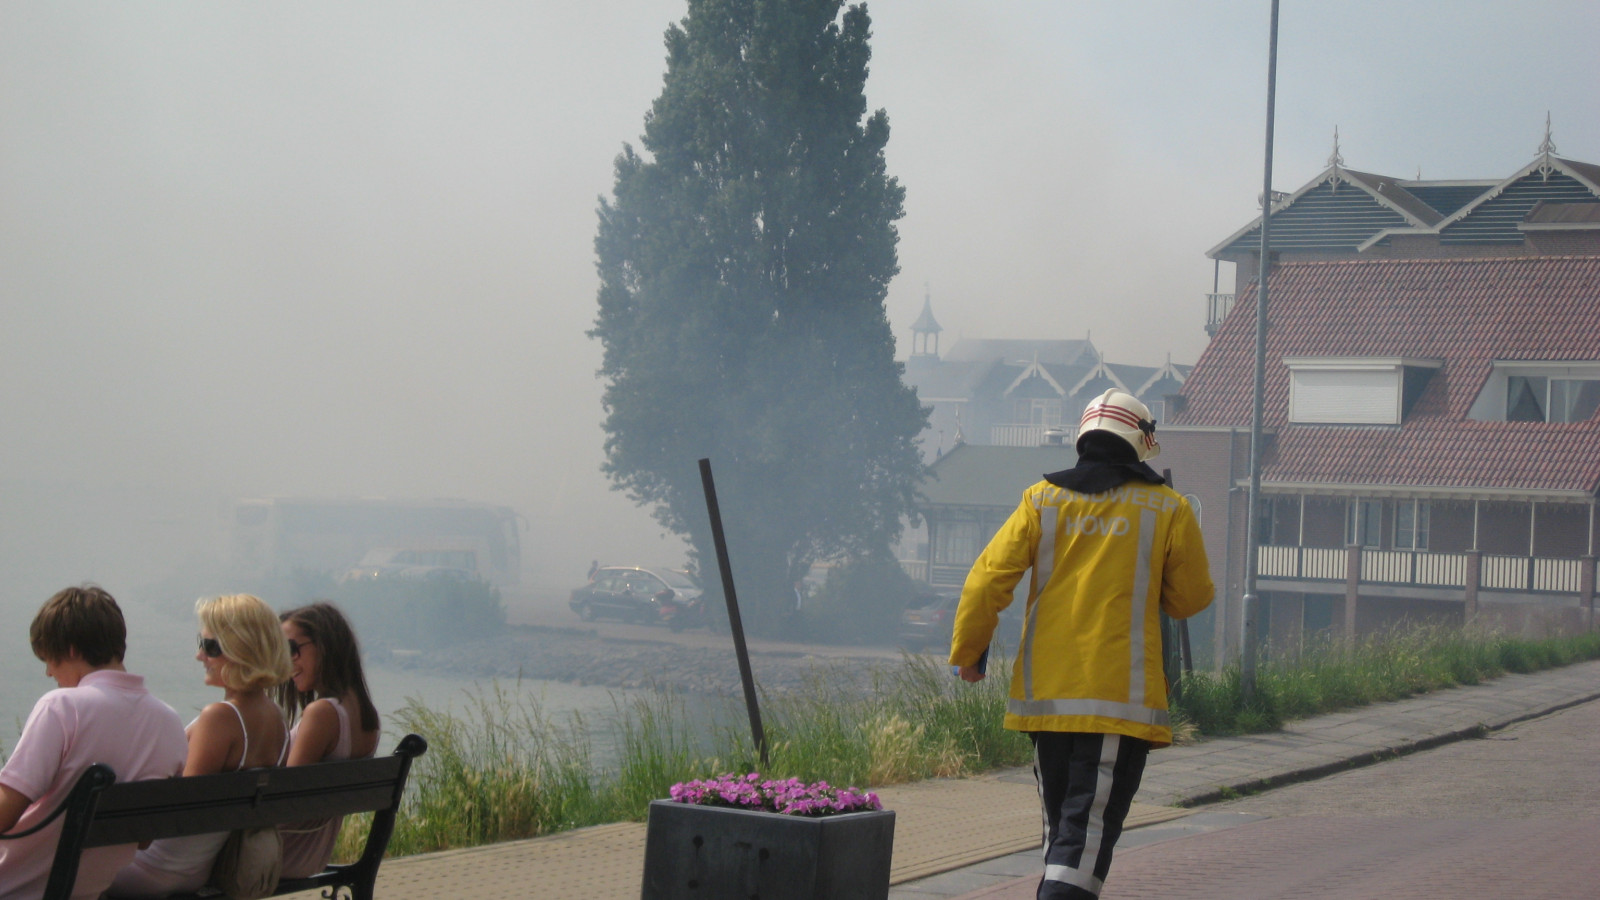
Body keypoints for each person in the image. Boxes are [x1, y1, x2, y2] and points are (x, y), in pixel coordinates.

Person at [949, 389, 1213, 900]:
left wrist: (969, 652)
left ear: (1083, 439)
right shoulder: (1168, 508)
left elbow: (985, 582)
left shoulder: (1041, 499)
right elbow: (1190, 599)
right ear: (1140, 443)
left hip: (1046, 701)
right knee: (1085, 837)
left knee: (1063, 836)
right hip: (1118, 702)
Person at [0, 586, 188, 900]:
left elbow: (6, 811)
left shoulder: (62, 707)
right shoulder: (169, 723)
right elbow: (142, 840)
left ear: (71, 650)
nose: (48, 673)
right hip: (84, 891)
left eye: (49, 660)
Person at [109, 594, 294, 898]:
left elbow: (181, 813)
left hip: (156, 868)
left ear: (242, 650)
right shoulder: (277, 719)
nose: (200, 656)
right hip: (197, 871)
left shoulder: (220, 718)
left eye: (210, 647)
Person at [275, 602, 382, 878]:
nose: (287, 662)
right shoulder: (365, 715)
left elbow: (285, 799)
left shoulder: (322, 713)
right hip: (314, 854)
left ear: (325, 645)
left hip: (281, 853)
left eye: (292, 649)